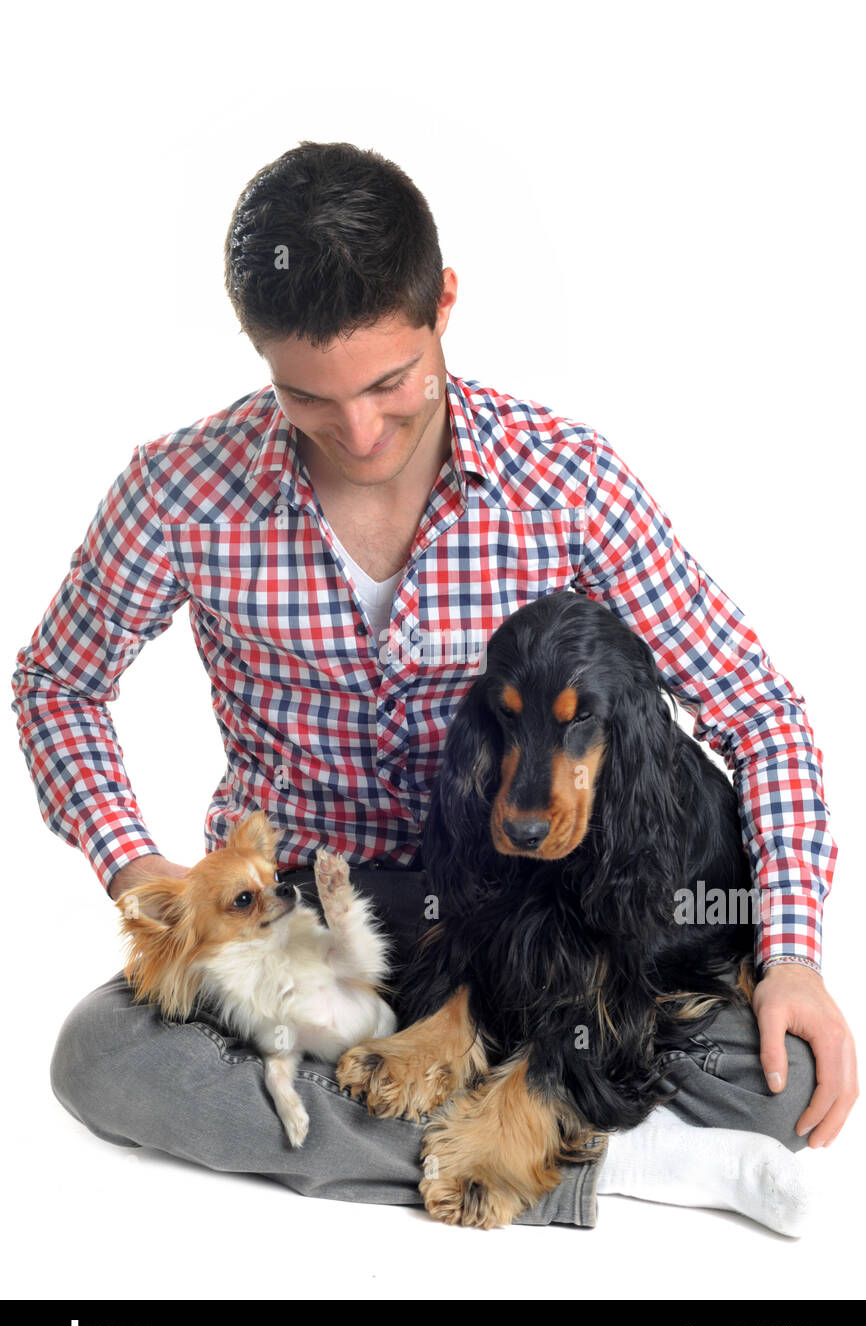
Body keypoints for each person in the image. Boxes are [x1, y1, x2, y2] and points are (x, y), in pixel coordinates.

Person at [13, 141, 857, 1235]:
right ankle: (603, 1150)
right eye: (306, 397)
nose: (359, 434)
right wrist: (137, 866)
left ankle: (513, 1086)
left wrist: (788, 953)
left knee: (789, 1078)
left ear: (443, 303)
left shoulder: (565, 480)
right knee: (100, 1057)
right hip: (317, 920)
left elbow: (756, 711)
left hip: (540, 912)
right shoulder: (178, 490)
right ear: (255, 352)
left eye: (389, 383)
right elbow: (56, 683)